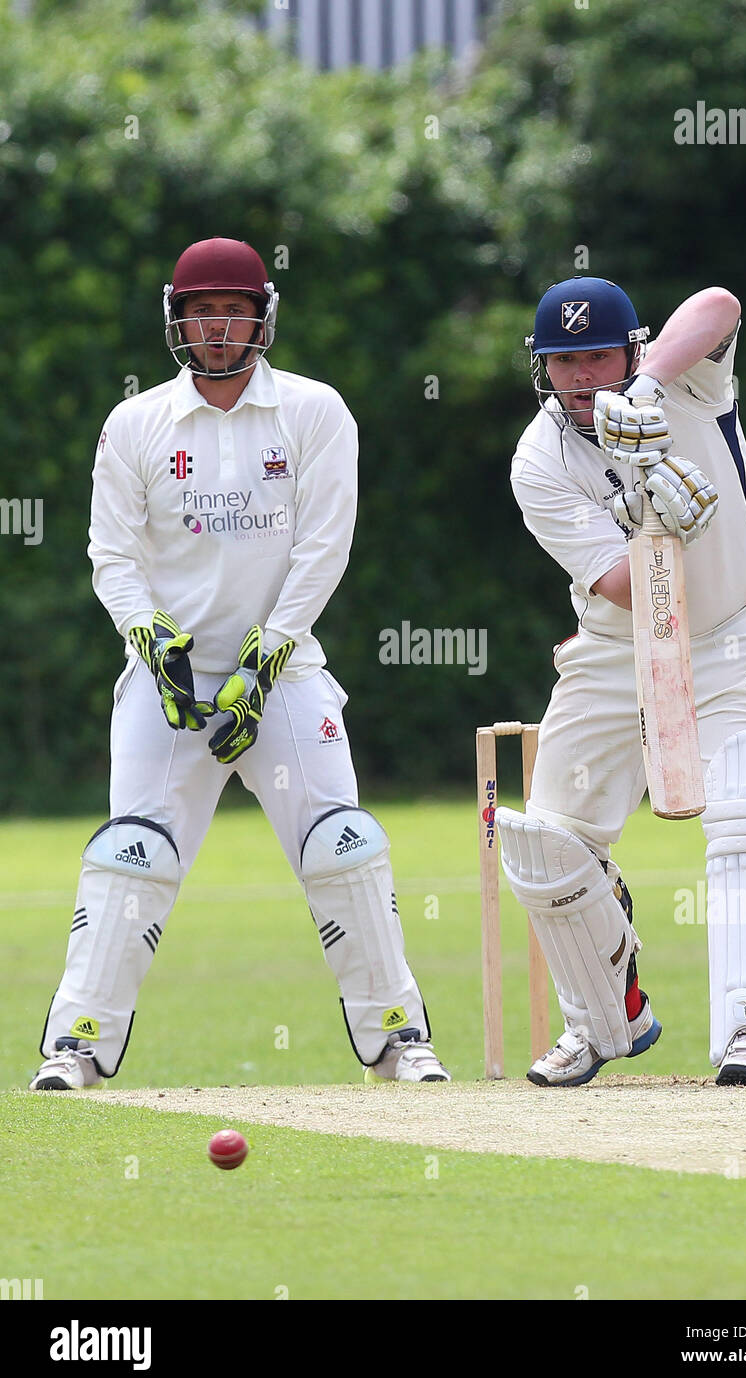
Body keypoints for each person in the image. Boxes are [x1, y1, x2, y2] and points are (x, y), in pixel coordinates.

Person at [30, 237, 449, 1090]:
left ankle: (399, 1037)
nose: (217, 326)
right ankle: (76, 1044)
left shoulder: (315, 411)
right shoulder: (136, 422)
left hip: (283, 673)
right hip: (169, 680)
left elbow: (325, 548)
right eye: (201, 311)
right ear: (176, 317)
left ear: (261, 316)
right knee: (132, 854)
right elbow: (111, 555)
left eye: (233, 310)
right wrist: (152, 638)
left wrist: (267, 655)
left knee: (342, 842)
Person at [498, 276, 746, 1087]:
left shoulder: (686, 380)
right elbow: (623, 586)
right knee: (544, 844)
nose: (580, 377)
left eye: (598, 356)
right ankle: (607, 1020)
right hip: (616, 643)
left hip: (735, 621)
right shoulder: (539, 460)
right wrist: (658, 517)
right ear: (541, 367)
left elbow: (721, 302)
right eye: (563, 363)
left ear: (632, 349)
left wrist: (643, 391)